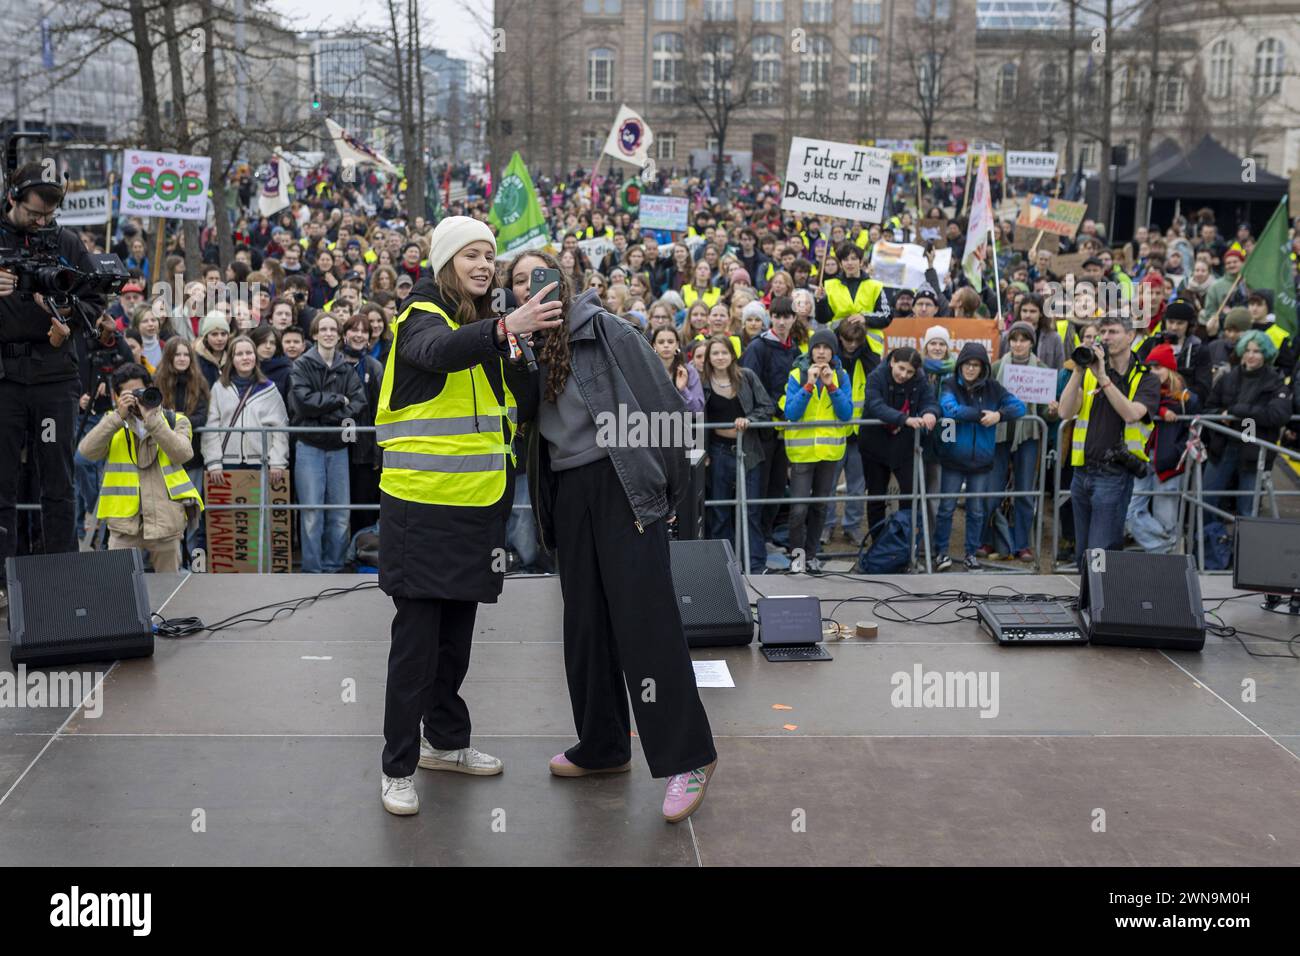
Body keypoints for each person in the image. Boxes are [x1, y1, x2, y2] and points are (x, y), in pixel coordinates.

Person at [516, 250, 719, 824]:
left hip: (624, 484)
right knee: (584, 625)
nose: (530, 287)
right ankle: (602, 745)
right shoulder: (523, 350)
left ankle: (690, 758)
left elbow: (664, 408)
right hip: (568, 493)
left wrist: (671, 496)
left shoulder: (605, 330)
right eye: (518, 282)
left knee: (645, 623)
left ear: (563, 279)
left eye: (539, 275)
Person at [374, 217, 562, 816]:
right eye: (471, 255)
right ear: (446, 261)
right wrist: (505, 328)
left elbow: (522, 404)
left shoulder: (488, 326)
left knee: (455, 642)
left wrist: (526, 351)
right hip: (420, 509)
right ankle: (397, 766)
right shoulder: (420, 314)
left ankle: (446, 743)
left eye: (490, 256)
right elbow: (437, 353)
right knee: (416, 647)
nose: (484, 265)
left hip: (477, 509)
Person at [0, 161, 109, 605]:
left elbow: (93, 294)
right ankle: (3, 582)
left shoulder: (64, 241)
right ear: (12, 199)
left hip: (54, 375)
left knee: (58, 482)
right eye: (34, 215)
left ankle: (62, 573)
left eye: (49, 216)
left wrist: (66, 315)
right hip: (4, 378)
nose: (42, 223)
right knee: (2, 483)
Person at [76, 362, 203, 572]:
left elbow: (183, 453)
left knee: (169, 590)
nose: (136, 398)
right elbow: (86, 452)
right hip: (123, 525)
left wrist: (154, 421)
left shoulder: (174, 420)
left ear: (150, 388)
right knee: (122, 592)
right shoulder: (113, 422)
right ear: (117, 396)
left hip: (165, 524)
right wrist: (118, 417)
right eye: (128, 394)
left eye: (139, 391)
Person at [1056, 316, 1160, 567]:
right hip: (1082, 472)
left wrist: (1103, 377)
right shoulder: (1091, 372)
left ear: (1130, 336)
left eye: (1113, 331)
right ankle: (1087, 602)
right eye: (1102, 331)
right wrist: (1078, 372)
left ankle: (1101, 604)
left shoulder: (1145, 378)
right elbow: (1064, 411)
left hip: (1114, 474)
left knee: (1100, 552)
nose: (1105, 337)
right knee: (1084, 552)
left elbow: (1131, 413)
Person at [933, 343, 1026, 571]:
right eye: (967, 364)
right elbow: (949, 409)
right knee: (946, 508)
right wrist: (982, 416)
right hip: (953, 458)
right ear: (960, 365)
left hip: (982, 461)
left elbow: (1020, 407)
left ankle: (970, 554)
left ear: (983, 367)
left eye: (976, 365)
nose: (971, 369)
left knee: (976, 510)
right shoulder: (950, 384)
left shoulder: (994, 388)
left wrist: (999, 415)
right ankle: (941, 553)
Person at [289, 312, 366, 573]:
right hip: (309, 447)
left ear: (339, 334)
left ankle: (333, 567)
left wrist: (328, 410)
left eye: (334, 329)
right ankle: (312, 570)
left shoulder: (346, 368)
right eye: (324, 329)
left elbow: (358, 403)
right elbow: (302, 403)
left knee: (340, 514)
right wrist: (337, 400)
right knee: (312, 513)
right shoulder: (301, 365)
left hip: (338, 449)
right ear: (314, 333)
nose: (329, 333)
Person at [780, 328, 854, 573]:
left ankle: (812, 555)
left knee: (820, 506)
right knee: (799, 509)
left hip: (829, 454)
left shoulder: (841, 376)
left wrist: (831, 385)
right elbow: (791, 413)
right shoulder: (797, 374)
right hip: (802, 454)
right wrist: (810, 385)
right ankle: (797, 558)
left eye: (826, 347)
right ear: (811, 350)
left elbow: (846, 414)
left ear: (833, 351)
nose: (821, 352)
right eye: (817, 347)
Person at [701, 335, 773, 573]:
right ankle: (725, 566)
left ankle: (756, 564)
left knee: (751, 510)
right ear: (709, 358)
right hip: (718, 452)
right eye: (715, 353)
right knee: (720, 511)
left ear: (732, 354)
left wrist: (749, 420)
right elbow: (695, 415)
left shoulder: (747, 377)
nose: (720, 357)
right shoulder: (702, 382)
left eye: (724, 352)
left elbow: (766, 407)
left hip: (748, 451)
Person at [1202, 330, 1292, 516]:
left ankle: (1244, 545)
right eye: (1248, 350)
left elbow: (1277, 415)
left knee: (1247, 508)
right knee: (1206, 500)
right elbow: (1208, 409)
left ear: (1265, 354)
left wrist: (1236, 411)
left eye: (1257, 351)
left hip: (1254, 451)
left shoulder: (1275, 382)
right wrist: (1221, 414)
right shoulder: (1228, 378)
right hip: (1223, 447)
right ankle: (1208, 543)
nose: (1251, 355)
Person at [1125, 343, 1198, 553]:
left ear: (1170, 369)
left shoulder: (1185, 398)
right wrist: (1162, 409)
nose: (1153, 372)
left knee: (1166, 517)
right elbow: (1135, 402)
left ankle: (1166, 561)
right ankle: (1166, 547)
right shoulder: (1144, 390)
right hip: (1143, 456)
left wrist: (1164, 408)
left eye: (1158, 367)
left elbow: (1194, 408)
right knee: (1130, 512)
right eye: (1150, 367)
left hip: (1170, 461)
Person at [862, 347, 940, 544]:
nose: (904, 375)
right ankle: (878, 545)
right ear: (892, 362)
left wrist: (930, 412)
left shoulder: (920, 380)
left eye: (910, 372)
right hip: (875, 444)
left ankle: (905, 545)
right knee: (876, 497)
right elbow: (875, 405)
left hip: (905, 446)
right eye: (901, 368)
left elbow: (930, 401)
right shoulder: (876, 376)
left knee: (909, 496)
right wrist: (904, 419)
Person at [988, 322, 1051, 562]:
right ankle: (989, 539)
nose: (1018, 344)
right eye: (1014, 339)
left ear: (1031, 343)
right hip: (1000, 434)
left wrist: (1053, 411)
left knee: (1025, 491)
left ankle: (1022, 543)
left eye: (1024, 339)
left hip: (1028, 436)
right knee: (992, 490)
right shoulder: (996, 368)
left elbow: (1046, 412)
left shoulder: (1042, 369)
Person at [742, 295, 801, 546]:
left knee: (777, 489)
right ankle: (752, 549)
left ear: (794, 319)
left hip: (784, 431)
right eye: (776, 316)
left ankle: (764, 539)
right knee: (757, 491)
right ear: (770, 318)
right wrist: (773, 410)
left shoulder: (796, 349)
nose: (781, 321)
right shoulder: (758, 346)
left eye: (786, 316)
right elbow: (750, 385)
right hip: (762, 430)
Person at [202, 335, 290, 476]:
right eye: (239, 354)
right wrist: (213, 462)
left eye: (249, 353)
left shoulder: (269, 389)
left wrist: (278, 462)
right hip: (227, 462)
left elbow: (280, 428)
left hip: (261, 462)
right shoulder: (219, 388)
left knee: (258, 499)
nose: (245, 358)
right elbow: (211, 427)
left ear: (255, 357)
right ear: (232, 359)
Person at [339, 313, 386, 535]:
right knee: (337, 507)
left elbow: (381, 411)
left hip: (365, 450)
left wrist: (378, 451)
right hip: (336, 446)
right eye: (353, 330)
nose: (358, 335)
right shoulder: (333, 363)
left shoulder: (374, 367)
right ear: (344, 334)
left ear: (369, 338)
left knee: (363, 506)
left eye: (363, 331)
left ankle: (361, 553)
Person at [652, 325, 704, 413]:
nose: (666, 345)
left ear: (677, 345)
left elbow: (697, 410)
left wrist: (683, 389)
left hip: (682, 424)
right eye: (661, 342)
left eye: (670, 342)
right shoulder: (647, 370)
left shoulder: (689, 371)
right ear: (654, 346)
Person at [193, 310, 231, 385]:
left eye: (223, 334)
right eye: (214, 334)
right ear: (206, 336)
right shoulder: (195, 359)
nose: (220, 339)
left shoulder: (233, 355)